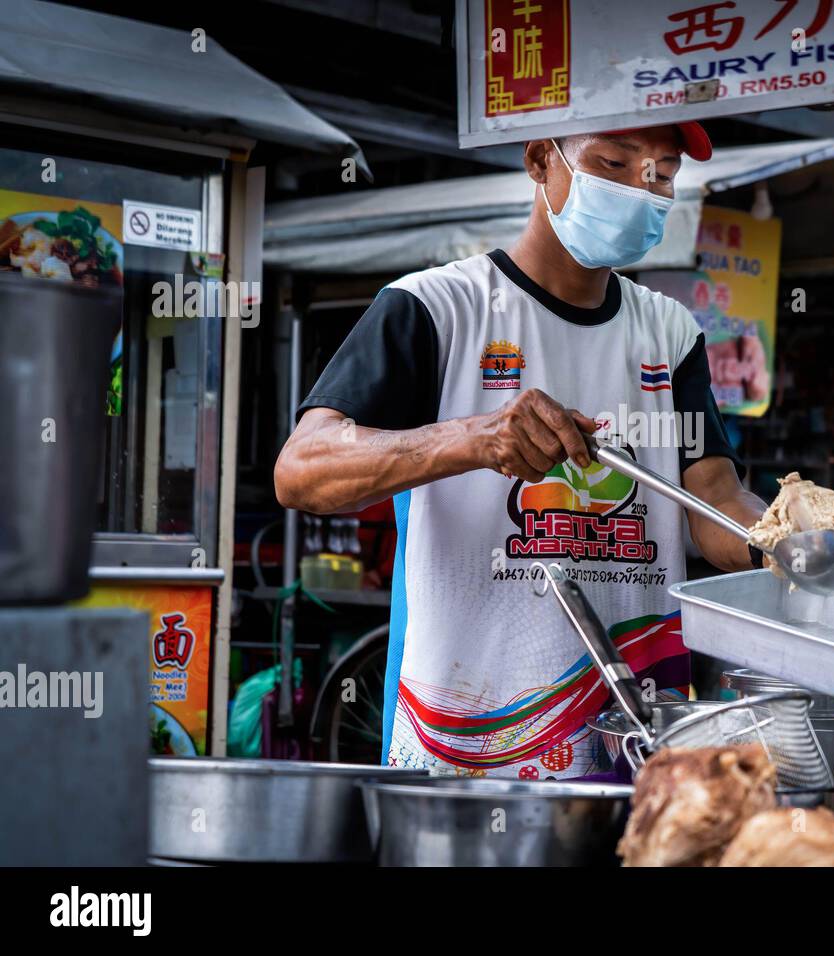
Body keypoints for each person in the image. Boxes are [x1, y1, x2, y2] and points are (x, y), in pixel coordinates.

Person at [274, 122, 767, 778]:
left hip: (636, 739)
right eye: (615, 163)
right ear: (541, 160)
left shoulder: (670, 332)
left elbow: (710, 497)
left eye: (662, 173)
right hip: (466, 742)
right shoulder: (434, 307)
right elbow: (301, 470)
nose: (641, 189)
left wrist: (785, 539)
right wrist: (475, 438)